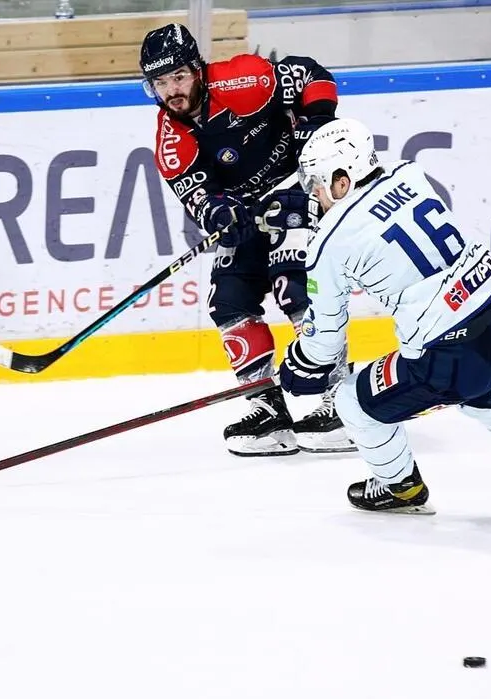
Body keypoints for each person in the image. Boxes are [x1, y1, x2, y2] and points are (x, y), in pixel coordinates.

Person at [278, 118, 491, 514]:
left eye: (318, 185)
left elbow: (325, 339)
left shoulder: (328, 244)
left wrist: (300, 364)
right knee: (486, 393)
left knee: (352, 400)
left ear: (342, 179)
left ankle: (400, 489)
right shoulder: (410, 175)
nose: (315, 197)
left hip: (449, 354)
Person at [140, 23, 355, 457]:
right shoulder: (170, 138)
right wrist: (220, 212)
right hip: (251, 208)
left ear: (197, 71)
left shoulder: (243, 79)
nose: (172, 91)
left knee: (293, 284)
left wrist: (313, 125)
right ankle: (266, 406)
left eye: (178, 77)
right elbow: (198, 197)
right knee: (228, 299)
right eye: (160, 83)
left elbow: (314, 75)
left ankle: (343, 398)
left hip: (299, 185)